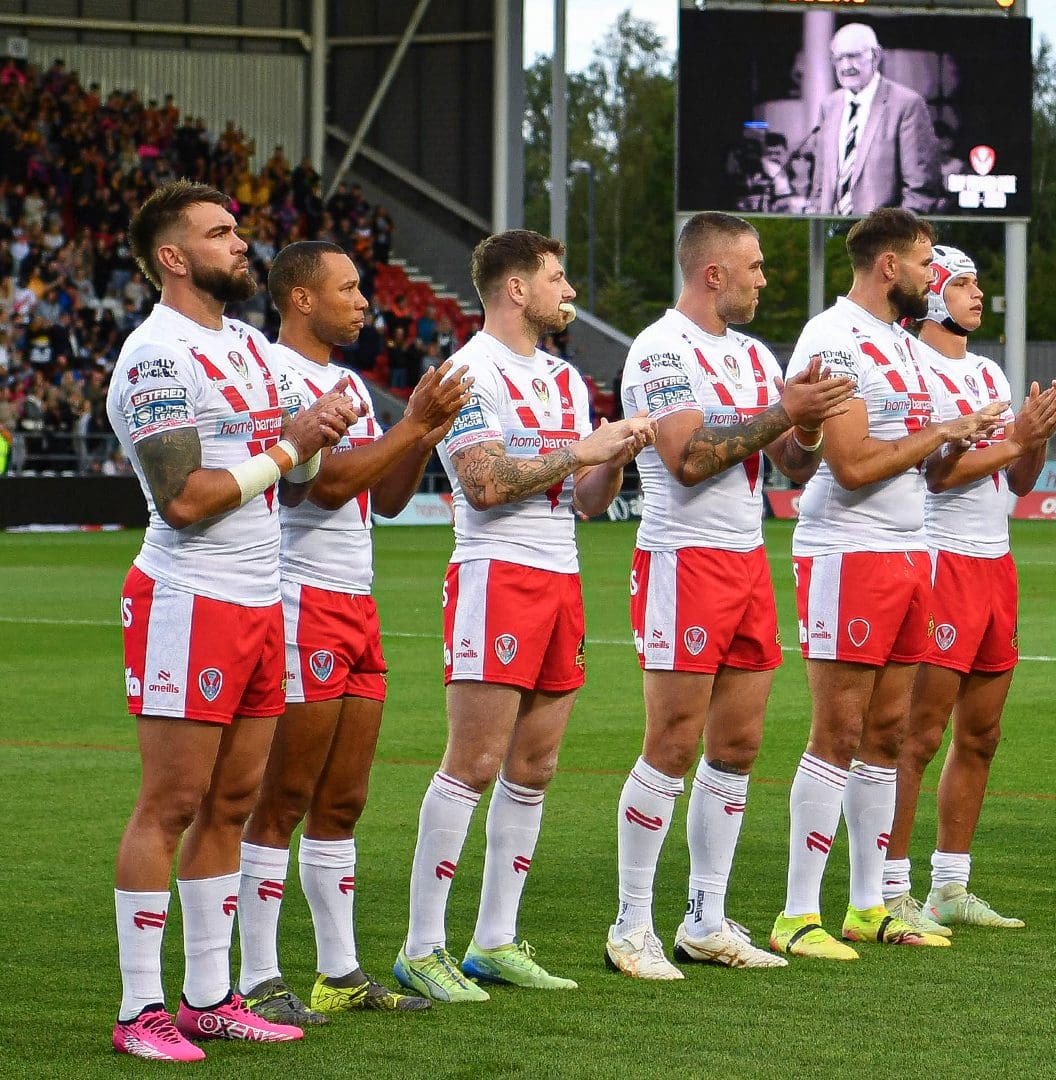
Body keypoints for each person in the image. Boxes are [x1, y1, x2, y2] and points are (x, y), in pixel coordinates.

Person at [107, 181, 360, 1060]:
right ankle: (140, 1008)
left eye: (238, 230)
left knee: (234, 799)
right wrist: (294, 442)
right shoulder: (152, 357)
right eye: (220, 234)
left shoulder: (250, 346)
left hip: (262, 599)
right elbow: (184, 499)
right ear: (173, 258)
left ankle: (208, 994)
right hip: (188, 597)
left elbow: (281, 472)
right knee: (171, 802)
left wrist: (316, 429)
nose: (240, 244)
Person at [393, 230, 650, 1002]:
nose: (567, 291)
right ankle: (420, 946)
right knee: (471, 764)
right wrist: (582, 452)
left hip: (560, 578)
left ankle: (494, 940)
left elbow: (589, 503)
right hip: (495, 577)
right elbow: (484, 484)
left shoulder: (568, 380)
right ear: (514, 289)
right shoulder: (469, 372)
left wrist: (615, 455)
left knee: (534, 768)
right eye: (557, 278)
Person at [606, 212, 853, 980]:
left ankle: (705, 918)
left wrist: (805, 427)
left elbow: (792, 462)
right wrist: (787, 412)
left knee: (739, 746)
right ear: (712, 273)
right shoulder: (659, 350)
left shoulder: (751, 354)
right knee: (672, 744)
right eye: (753, 266)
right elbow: (687, 459)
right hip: (683, 561)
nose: (763, 278)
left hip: (745, 560)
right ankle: (630, 926)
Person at [232, 241, 470, 1024]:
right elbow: (321, 487)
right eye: (348, 288)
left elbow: (390, 496)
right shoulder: (277, 376)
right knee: (283, 796)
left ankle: (340, 973)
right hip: (298, 600)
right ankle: (260, 975)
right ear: (300, 298)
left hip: (356, 604)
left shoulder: (350, 389)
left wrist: (422, 430)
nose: (365, 301)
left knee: (344, 799)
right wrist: (410, 427)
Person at [768, 209, 1003, 960]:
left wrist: (972, 435)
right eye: (927, 263)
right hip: (849, 550)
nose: (935, 277)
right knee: (836, 732)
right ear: (888, 266)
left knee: (888, 734)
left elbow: (919, 462)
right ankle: (797, 913)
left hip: (910, 549)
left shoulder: (900, 346)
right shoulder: (832, 338)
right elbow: (852, 464)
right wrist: (943, 432)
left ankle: (867, 905)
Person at [880, 246, 1056, 933]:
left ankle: (951, 885)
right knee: (917, 736)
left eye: (977, 281)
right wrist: (1019, 437)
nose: (977, 294)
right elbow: (938, 475)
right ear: (930, 294)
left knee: (982, 734)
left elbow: (1018, 482)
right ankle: (889, 886)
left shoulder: (986, 369)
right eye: (962, 282)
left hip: (995, 563)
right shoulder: (910, 365)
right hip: (941, 560)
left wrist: (1034, 436)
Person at [804, 22, 941, 216]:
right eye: (838, 58)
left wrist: (891, 236)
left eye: (853, 56)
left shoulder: (906, 104)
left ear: (875, 56)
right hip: (830, 236)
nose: (845, 66)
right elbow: (819, 186)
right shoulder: (830, 106)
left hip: (882, 238)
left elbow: (921, 190)